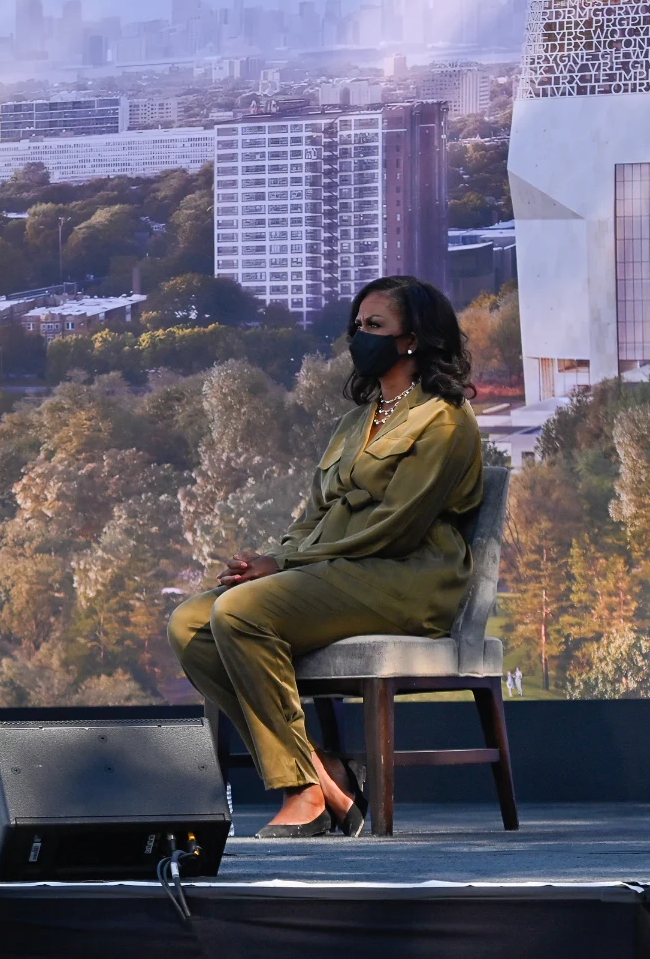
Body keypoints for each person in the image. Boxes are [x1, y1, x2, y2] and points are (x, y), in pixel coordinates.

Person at [167, 276, 483, 838]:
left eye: (375, 326)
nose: (360, 337)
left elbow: (399, 525)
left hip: (405, 579)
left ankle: (302, 791)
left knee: (240, 613)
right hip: (337, 572)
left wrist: (285, 570)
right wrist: (275, 556)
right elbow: (314, 513)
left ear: (413, 339)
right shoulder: (354, 423)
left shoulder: (445, 420)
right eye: (357, 326)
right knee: (190, 621)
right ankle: (323, 770)